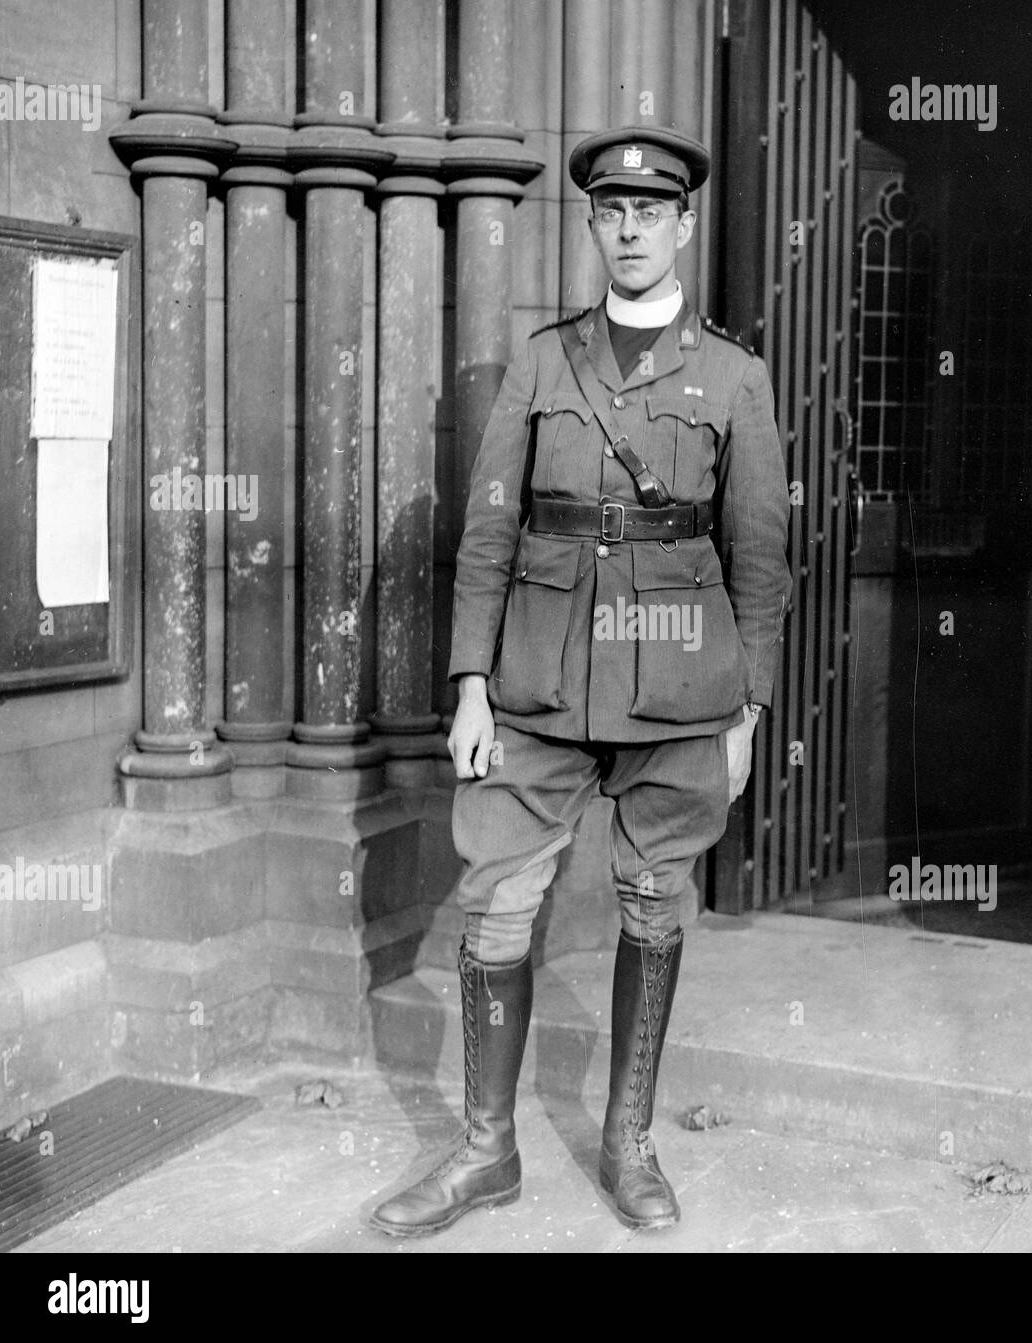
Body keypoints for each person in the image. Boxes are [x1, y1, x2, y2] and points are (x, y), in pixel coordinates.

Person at [371, 125, 792, 1237]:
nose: (631, 228)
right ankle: (483, 1149)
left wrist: (747, 709)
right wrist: (468, 681)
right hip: (537, 685)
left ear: (685, 225)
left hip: (683, 691)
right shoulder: (543, 362)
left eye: (652, 212)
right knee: (497, 902)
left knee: (654, 905)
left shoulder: (735, 377)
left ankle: (630, 1143)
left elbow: (759, 558)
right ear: (595, 224)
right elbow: (489, 530)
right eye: (613, 211)